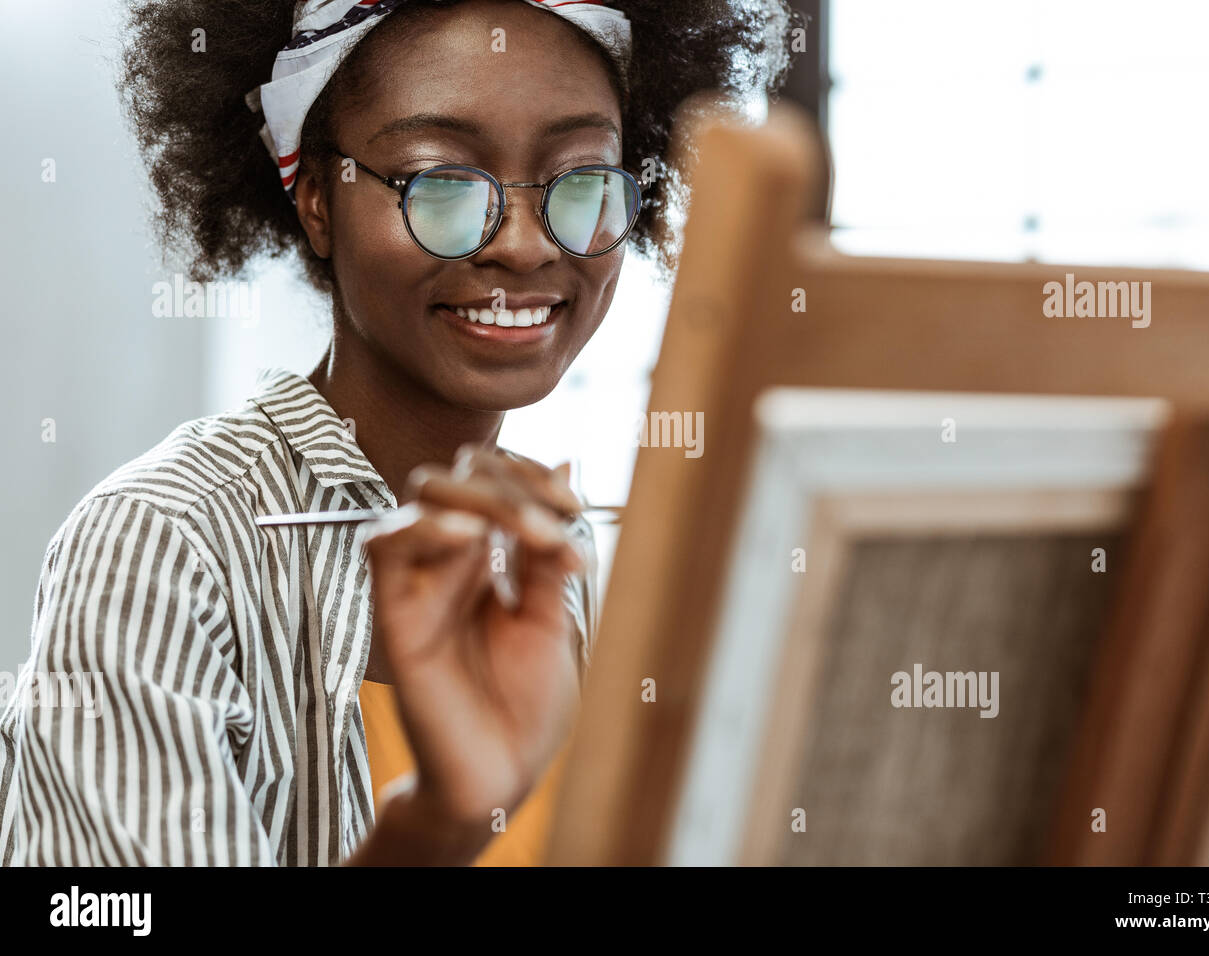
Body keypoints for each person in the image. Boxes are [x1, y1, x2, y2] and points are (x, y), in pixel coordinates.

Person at [0, 0, 793, 865]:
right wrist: (441, 822)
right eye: (442, 185)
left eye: (582, 177)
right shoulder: (163, 543)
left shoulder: (551, 545)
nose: (526, 247)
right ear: (315, 202)